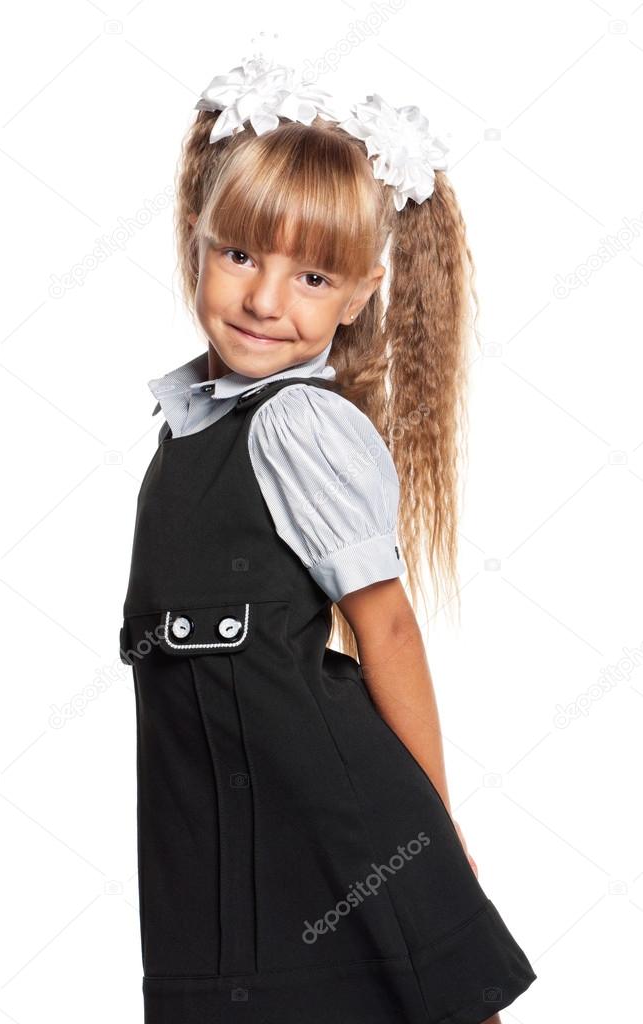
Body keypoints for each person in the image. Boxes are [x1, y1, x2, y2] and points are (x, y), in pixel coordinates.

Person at [119, 47, 537, 1024]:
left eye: (311, 275)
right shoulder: (191, 420)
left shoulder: (297, 424)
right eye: (240, 255)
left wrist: (427, 824)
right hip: (221, 841)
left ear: (357, 295)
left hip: (335, 822)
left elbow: (382, 626)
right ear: (196, 240)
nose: (267, 299)